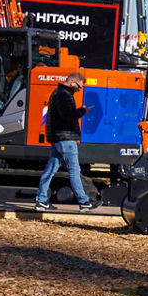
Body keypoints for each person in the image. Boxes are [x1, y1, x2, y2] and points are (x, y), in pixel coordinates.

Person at [34, 71, 95, 211]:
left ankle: (41, 200)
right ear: (72, 82)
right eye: (79, 86)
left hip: (57, 138)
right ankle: (84, 201)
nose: (79, 89)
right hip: (66, 138)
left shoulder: (57, 93)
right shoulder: (64, 95)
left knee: (50, 169)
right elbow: (68, 116)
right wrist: (82, 111)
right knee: (74, 170)